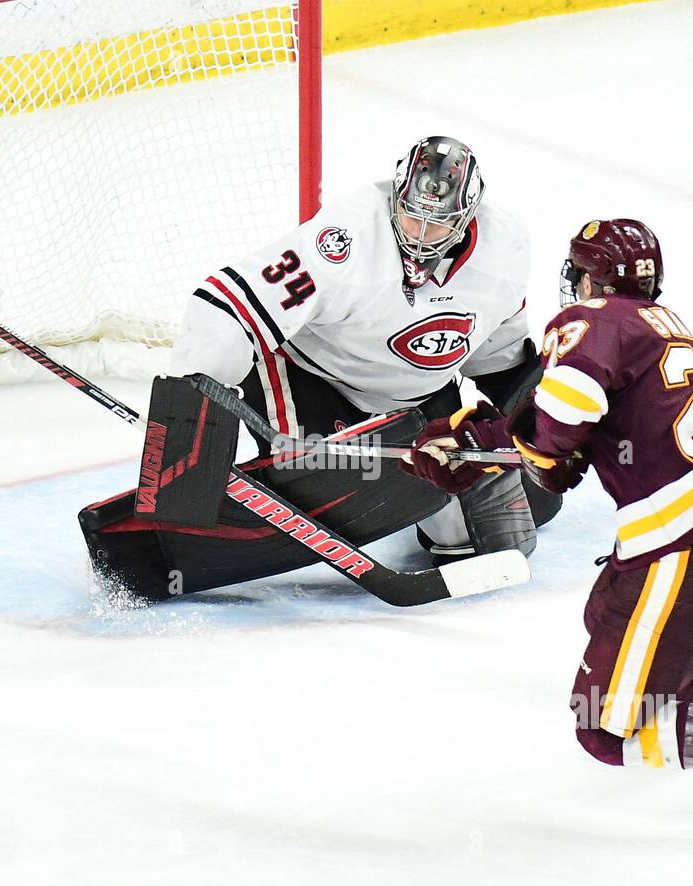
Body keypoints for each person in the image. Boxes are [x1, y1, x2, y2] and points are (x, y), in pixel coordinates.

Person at [404, 218, 693, 831]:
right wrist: (477, 442)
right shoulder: (658, 329)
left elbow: (565, 416)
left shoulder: (592, 321)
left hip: (686, 550)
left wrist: (539, 449)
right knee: (605, 615)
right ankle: (691, 714)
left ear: (590, 278)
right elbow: (579, 425)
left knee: (603, 733)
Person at [168, 135, 561, 567]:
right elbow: (226, 307)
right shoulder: (345, 237)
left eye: (440, 223)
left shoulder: (504, 249)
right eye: (412, 217)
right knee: (318, 497)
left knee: (517, 514)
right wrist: (188, 422)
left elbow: (497, 352)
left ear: (469, 215)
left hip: (418, 400)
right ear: (396, 197)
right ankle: (264, 488)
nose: (422, 234)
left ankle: (411, 496)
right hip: (313, 379)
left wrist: (542, 427)